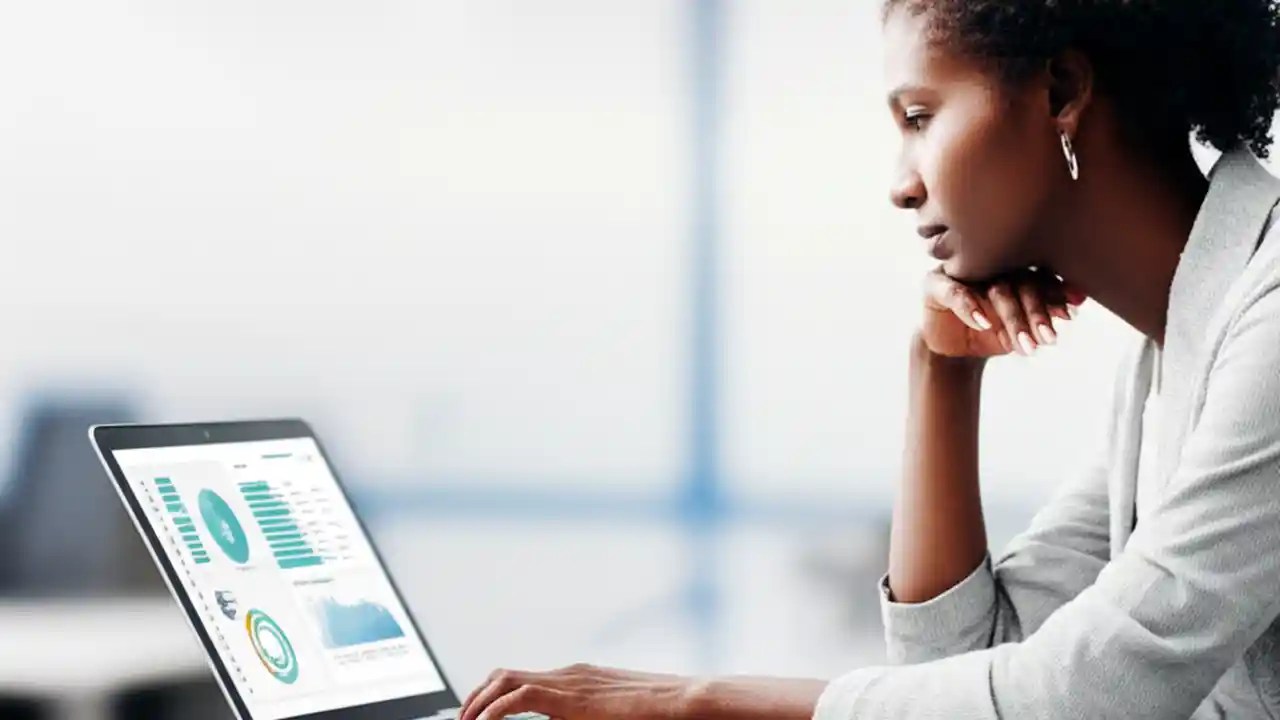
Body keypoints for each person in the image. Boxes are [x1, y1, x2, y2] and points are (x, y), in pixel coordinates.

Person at [459, 1, 1280, 717]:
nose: (900, 184)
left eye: (919, 116)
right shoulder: (1168, 362)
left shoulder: (1269, 327)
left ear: (1060, 92)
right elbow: (958, 680)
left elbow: (1076, 699)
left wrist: (691, 700)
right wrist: (941, 369)